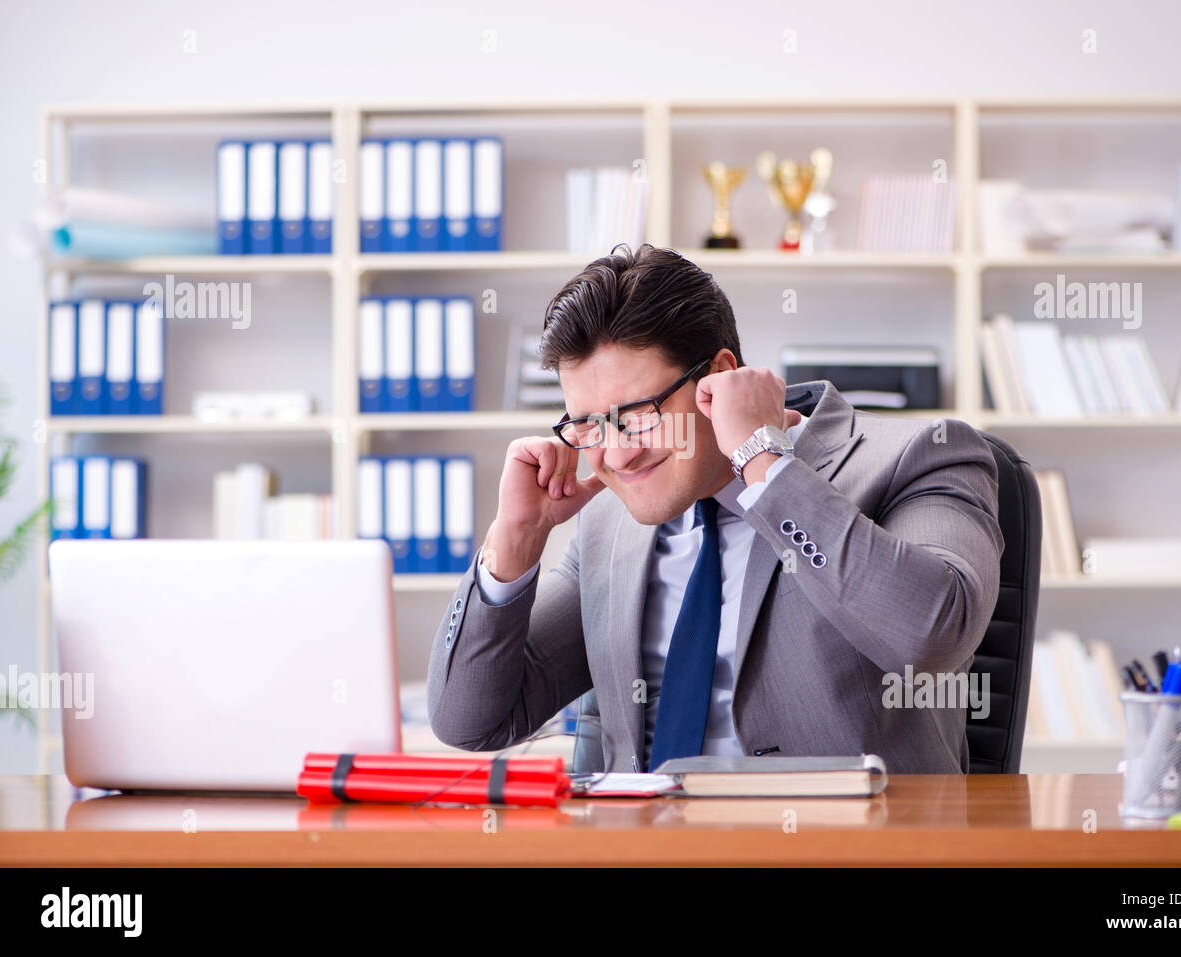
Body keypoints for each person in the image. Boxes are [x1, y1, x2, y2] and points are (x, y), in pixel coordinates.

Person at [426, 244, 1003, 773]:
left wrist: (764, 463)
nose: (618, 453)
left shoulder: (919, 456)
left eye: (639, 413)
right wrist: (515, 542)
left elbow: (932, 639)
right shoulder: (607, 522)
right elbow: (470, 722)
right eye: (589, 424)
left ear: (720, 377)